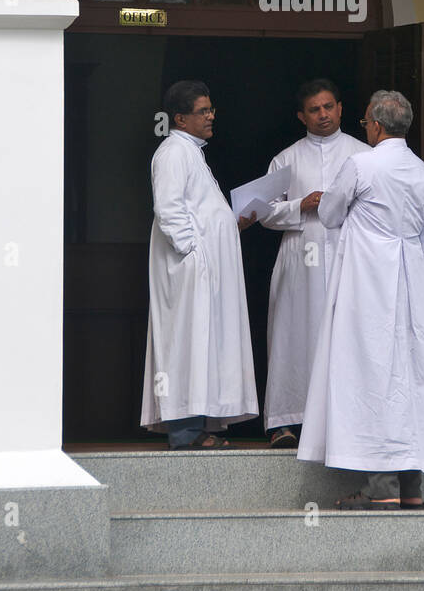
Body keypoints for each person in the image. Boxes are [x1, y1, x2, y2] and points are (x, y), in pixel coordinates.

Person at [297, 89, 424, 508]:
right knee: (413, 380)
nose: (365, 127)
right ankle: (412, 489)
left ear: (377, 126)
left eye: (365, 122)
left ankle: (381, 490)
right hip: (415, 285)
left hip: (369, 284)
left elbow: (329, 215)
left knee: (374, 374)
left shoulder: (361, 164)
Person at [140, 79, 258, 448]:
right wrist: (194, 252)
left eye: (211, 110)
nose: (210, 117)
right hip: (190, 269)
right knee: (186, 344)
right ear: (180, 118)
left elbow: (199, 209)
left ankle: (198, 426)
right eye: (202, 111)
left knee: (202, 345)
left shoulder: (192, 151)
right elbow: (169, 208)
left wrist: (228, 224)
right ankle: (186, 432)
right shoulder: (174, 152)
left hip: (202, 269)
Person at [259, 79, 368, 448]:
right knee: (293, 336)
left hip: (344, 258)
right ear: (301, 116)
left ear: (340, 108)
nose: (323, 115)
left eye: (328, 107)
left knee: (343, 339)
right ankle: (285, 423)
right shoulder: (286, 159)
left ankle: (341, 422)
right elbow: (264, 212)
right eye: (314, 110)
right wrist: (299, 205)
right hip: (298, 260)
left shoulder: (361, 155)